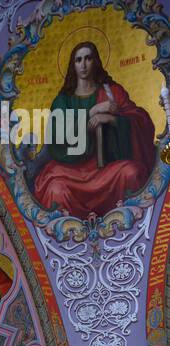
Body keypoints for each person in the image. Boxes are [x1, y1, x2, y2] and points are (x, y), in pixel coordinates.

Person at [33, 41, 155, 220]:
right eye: (78, 60)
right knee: (54, 189)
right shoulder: (62, 101)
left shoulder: (112, 93)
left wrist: (113, 120)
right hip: (71, 171)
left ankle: (126, 221)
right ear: (72, 65)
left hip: (106, 169)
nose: (83, 64)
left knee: (132, 172)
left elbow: (141, 121)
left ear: (95, 61)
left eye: (88, 58)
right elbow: (57, 137)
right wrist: (92, 112)